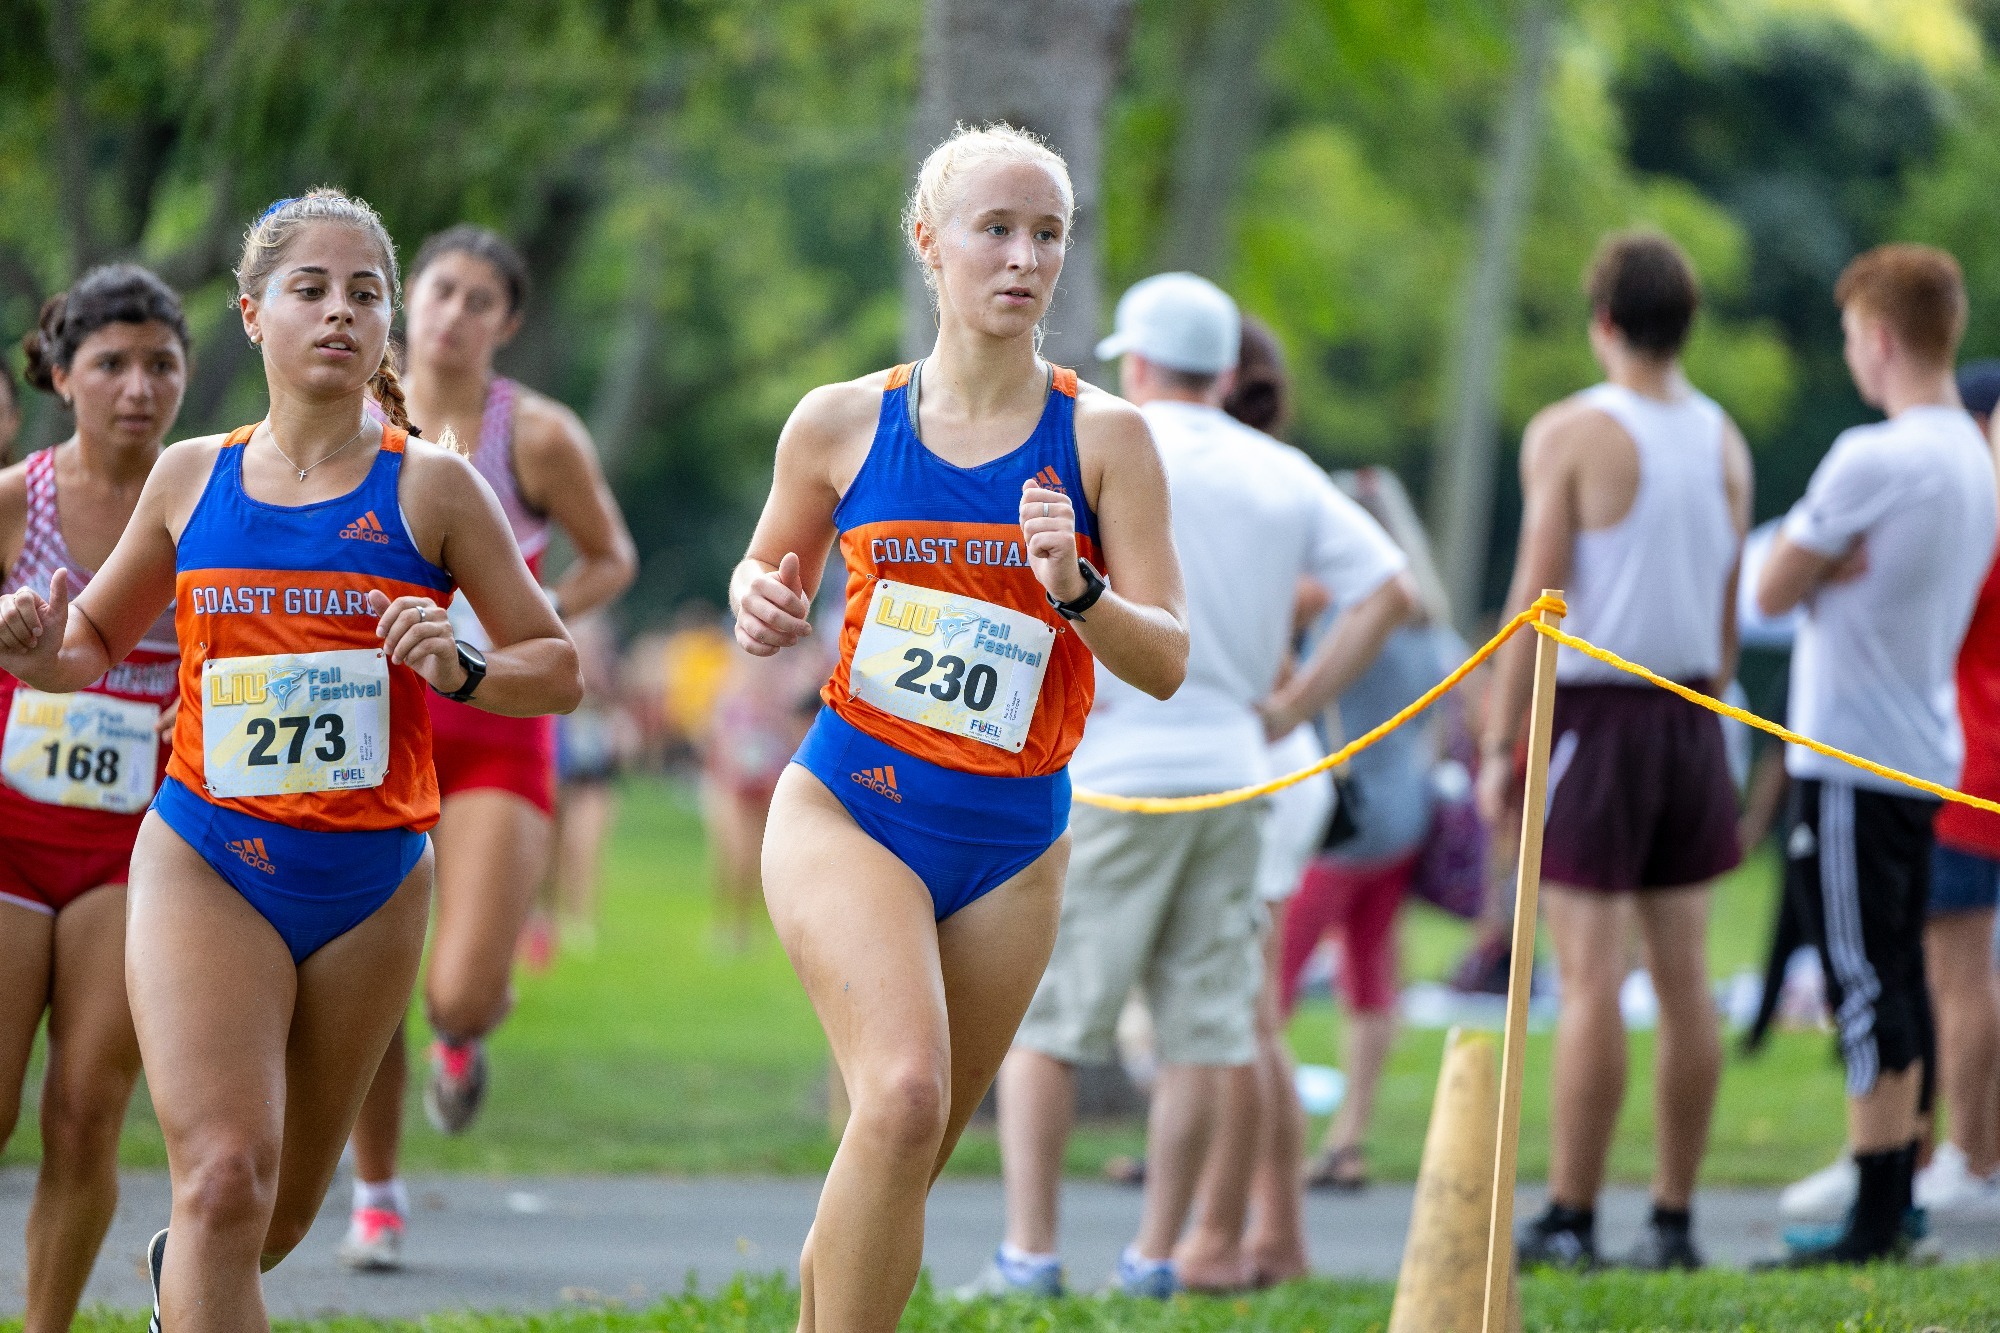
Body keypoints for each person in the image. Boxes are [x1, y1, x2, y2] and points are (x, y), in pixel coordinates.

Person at [0, 188, 582, 1333]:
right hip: (205, 854)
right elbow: (92, 646)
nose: (339, 312)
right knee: (222, 1177)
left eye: (364, 292)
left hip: (369, 883)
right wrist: (33, 648)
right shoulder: (188, 476)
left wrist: (460, 667)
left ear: (385, 325)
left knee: (276, 1215)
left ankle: (194, 1284)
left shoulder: (433, 486)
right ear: (252, 313)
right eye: (309, 289)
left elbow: (553, 669)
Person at [731, 124, 1190, 1331]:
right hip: (851, 808)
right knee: (898, 1097)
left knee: (904, 1154)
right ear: (927, 244)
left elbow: (1168, 660)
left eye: (1047, 234)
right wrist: (757, 600)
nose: (1023, 257)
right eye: (995, 228)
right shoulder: (838, 422)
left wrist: (1077, 590)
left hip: (1011, 841)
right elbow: (761, 583)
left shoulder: (1104, 440)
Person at [968, 271, 1415, 1300]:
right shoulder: (1282, 470)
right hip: (1233, 772)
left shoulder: (1101, 438)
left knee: (1049, 1026)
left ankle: (1030, 1253)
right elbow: (1388, 591)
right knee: (1202, 1033)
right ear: (1225, 371)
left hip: (1116, 768)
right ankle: (1155, 1256)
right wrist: (1292, 704)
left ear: (1136, 359)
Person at [341, 225, 635, 1271]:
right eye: (439, 291)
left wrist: (531, 607)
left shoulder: (537, 435)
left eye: (478, 301)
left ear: (505, 323)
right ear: (406, 300)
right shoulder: (353, 417)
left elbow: (612, 556)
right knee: (368, 975)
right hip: (372, 726)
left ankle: (464, 1033)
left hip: (498, 721)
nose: (453, 314)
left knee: (456, 989)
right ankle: (375, 1193)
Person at [1482, 232, 1753, 1271]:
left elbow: (1532, 599)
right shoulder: (1723, 438)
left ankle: (1572, 1212)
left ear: (1602, 321)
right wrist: (1714, 718)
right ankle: (1674, 1218)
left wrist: (1504, 740)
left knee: (1590, 977)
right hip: (1692, 713)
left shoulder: (1572, 431)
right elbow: (1725, 606)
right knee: (1683, 982)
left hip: (1597, 719)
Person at [1756, 245, 1997, 1265]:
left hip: (1846, 752)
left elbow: (1765, 591)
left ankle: (1872, 1208)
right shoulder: (1970, 461)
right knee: (1893, 969)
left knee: (1863, 980)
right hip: (1918, 746)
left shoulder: (1874, 455)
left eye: (1852, 337)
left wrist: (1808, 566)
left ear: (1880, 339)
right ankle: (1890, 1192)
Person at [0, 264, 188, 1333]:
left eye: (160, 364)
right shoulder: (12, 498)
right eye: (110, 363)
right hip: (8, 838)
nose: (136, 386)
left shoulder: (202, 497)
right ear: (63, 373)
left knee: (84, 1110)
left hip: (135, 848)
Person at [1278, 468, 1467, 1195]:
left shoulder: (1342, 615)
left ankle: (1261, 1135)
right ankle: (1349, 1135)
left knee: (1272, 981)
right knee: (1369, 979)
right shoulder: (1432, 627)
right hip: (1403, 815)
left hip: (1334, 823)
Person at [703, 627, 830, 950]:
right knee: (733, 855)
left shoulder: (785, 693)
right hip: (733, 783)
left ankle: (752, 927)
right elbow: (715, 737)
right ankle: (728, 924)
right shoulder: (730, 692)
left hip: (771, 780)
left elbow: (798, 732)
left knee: (764, 859)